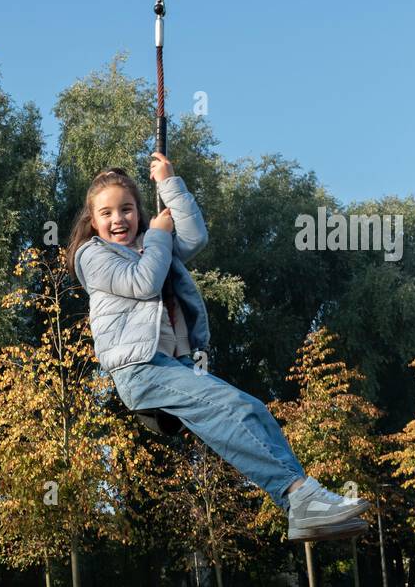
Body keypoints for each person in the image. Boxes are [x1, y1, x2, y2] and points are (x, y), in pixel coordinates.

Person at [66, 154, 370, 541]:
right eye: (107, 213)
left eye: (126, 209)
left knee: (250, 410)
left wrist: (169, 183)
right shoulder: (93, 256)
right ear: (93, 222)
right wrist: (159, 234)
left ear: (140, 213)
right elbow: (142, 282)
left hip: (170, 365)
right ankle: (299, 498)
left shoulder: (151, 243)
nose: (118, 219)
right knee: (235, 409)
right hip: (139, 367)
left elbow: (194, 237)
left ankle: (301, 503)